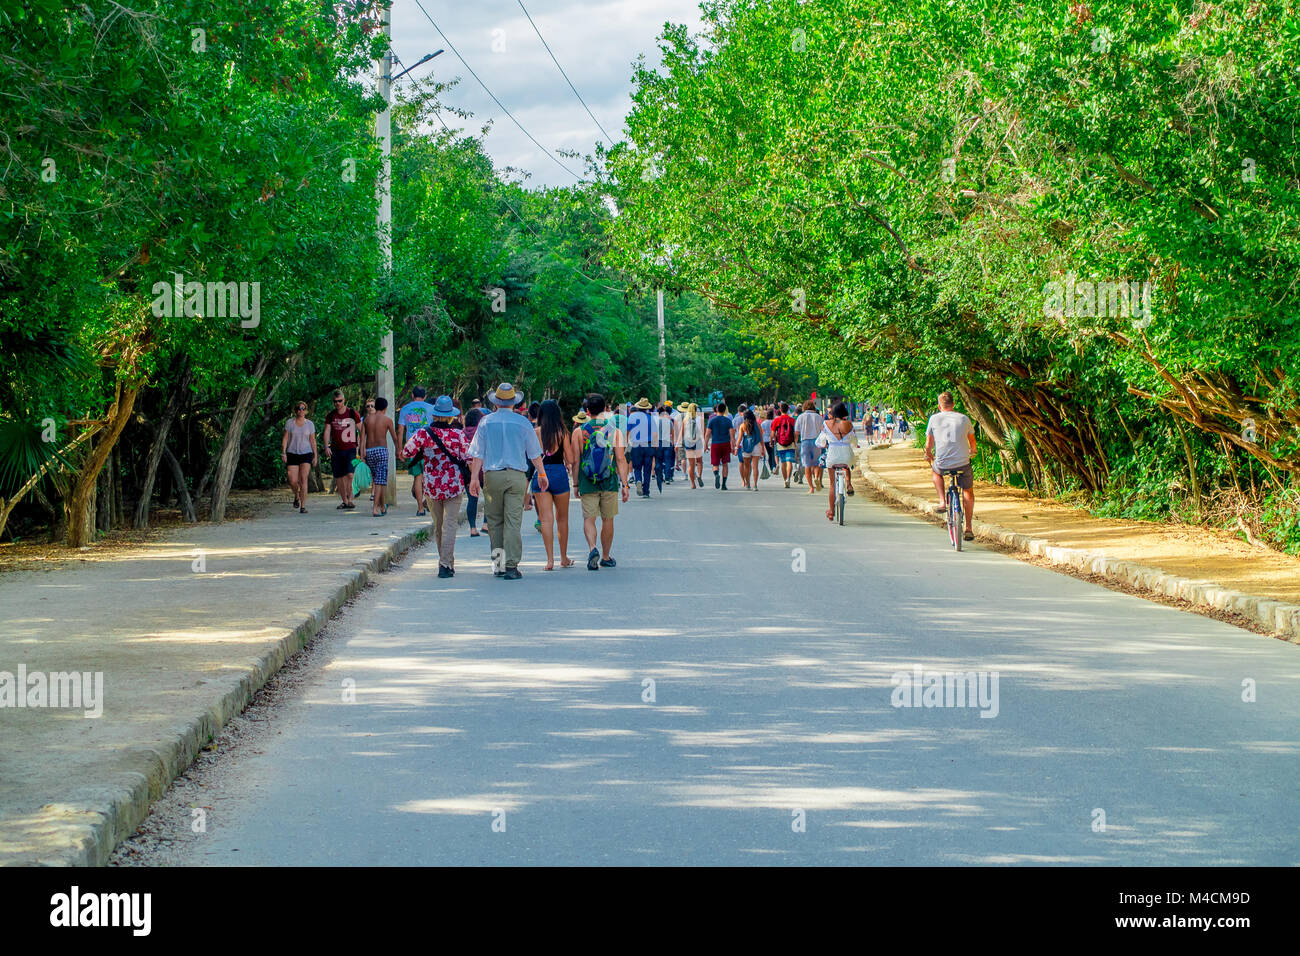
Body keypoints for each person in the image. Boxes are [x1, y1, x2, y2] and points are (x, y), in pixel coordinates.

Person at [468, 383, 547, 579]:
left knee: (494, 521)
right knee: (513, 521)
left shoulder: (486, 422)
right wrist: (542, 474)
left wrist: (473, 479)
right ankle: (511, 566)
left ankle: (498, 564)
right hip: (516, 476)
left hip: (492, 476)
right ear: (514, 402)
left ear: (496, 402)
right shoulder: (523, 423)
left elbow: (478, 453)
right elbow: (534, 453)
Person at [402, 396, 469, 578]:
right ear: (450, 416)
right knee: (449, 525)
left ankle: (445, 562)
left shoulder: (424, 434)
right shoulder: (458, 435)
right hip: (453, 486)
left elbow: (406, 451)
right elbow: (467, 456)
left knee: (438, 525)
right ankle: (446, 563)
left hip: (431, 487)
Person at [570, 393, 629, 570]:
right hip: (608, 481)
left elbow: (576, 462)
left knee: (589, 518)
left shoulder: (579, 432)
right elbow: (620, 459)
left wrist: (575, 484)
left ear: (587, 411)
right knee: (607, 519)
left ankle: (592, 548)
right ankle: (605, 556)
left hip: (588, 481)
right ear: (605, 409)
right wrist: (625, 484)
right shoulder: (615, 432)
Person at [925, 391, 976, 541]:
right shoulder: (964, 418)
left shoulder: (934, 419)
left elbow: (929, 443)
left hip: (942, 462)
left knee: (936, 471)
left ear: (939, 406)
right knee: (968, 491)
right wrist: (973, 451)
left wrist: (928, 453)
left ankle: (942, 501)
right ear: (953, 405)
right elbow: (972, 441)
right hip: (963, 463)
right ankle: (968, 528)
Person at [529, 400, 575, 570]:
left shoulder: (535, 432)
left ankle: (550, 560)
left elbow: (530, 456)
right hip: (559, 474)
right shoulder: (562, 432)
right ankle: (563, 557)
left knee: (546, 520)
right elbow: (570, 459)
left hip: (540, 475)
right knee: (562, 518)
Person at [397, 386, 437, 516]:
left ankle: (420, 508)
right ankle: (430, 503)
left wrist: (399, 449)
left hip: (412, 446)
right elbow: (435, 429)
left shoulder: (405, 409)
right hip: (428, 446)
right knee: (429, 475)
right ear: (425, 396)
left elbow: (400, 430)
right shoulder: (431, 409)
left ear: (412, 395)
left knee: (418, 477)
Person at [817, 402, 858, 520]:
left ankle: (831, 511)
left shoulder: (826, 424)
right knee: (848, 466)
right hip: (847, 456)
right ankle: (849, 484)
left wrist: (824, 444)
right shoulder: (849, 424)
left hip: (832, 456)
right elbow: (854, 441)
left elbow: (820, 441)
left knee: (831, 484)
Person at [323, 389, 362, 510]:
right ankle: (345, 501)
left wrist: (362, 445)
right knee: (339, 476)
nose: (337, 403)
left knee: (350, 474)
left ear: (344, 400)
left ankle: (351, 499)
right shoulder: (331, 415)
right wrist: (326, 446)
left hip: (350, 448)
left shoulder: (352, 413)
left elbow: (362, 429)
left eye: (339, 401)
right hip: (336, 449)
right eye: (335, 401)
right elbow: (327, 431)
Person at [361, 397, 398, 516]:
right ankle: (375, 508)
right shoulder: (387, 420)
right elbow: (394, 437)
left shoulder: (366, 420)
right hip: (381, 451)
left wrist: (362, 452)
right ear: (385, 408)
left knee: (378, 480)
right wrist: (399, 450)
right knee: (380, 481)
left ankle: (382, 506)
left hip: (369, 451)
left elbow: (362, 438)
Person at [281, 402, 318, 514]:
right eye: (298, 408)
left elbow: (312, 440)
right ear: (295, 410)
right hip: (292, 453)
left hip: (306, 453)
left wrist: (315, 455)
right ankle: (296, 496)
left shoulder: (310, 424)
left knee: (303, 479)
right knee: (292, 480)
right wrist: (283, 453)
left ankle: (303, 506)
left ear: (306, 410)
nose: (301, 411)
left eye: (303, 408)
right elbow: (285, 439)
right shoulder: (290, 423)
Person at [626, 397, 656, 498]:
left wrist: (627, 443)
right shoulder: (650, 417)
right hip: (648, 445)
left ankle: (638, 480)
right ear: (647, 408)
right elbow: (655, 434)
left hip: (636, 445)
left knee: (637, 467)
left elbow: (627, 431)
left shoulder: (631, 417)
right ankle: (646, 491)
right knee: (647, 469)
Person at [462, 407, 485, 537]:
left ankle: (472, 528)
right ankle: (486, 524)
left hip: (468, 472)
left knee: (472, 499)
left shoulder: (462, 432)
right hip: (483, 469)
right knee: (489, 498)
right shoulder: (481, 432)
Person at [795, 399, 824, 494]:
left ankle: (811, 487)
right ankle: (816, 477)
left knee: (807, 465)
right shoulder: (818, 417)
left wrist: (795, 442)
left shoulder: (800, 417)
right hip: (816, 442)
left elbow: (797, 432)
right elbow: (823, 431)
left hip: (805, 442)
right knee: (816, 463)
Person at [706, 401, 736, 490]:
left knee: (715, 464)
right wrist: (733, 446)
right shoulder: (728, 420)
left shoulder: (712, 420)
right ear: (724, 410)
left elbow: (707, 434)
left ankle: (716, 475)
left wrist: (705, 445)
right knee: (725, 464)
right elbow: (732, 436)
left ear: (717, 409)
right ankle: (724, 484)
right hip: (725, 443)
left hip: (715, 443)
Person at [736, 408, 765, 490]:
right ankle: (755, 485)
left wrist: (736, 447)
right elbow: (761, 438)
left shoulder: (743, 426)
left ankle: (747, 483)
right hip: (756, 446)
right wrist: (763, 448)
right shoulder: (758, 425)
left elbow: (739, 438)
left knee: (746, 467)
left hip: (746, 447)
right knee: (755, 467)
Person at [678, 402, 705, 489]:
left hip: (688, 442)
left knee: (691, 464)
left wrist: (677, 444)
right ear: (696, 410)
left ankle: (693, 484)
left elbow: (681, 433)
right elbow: (703, 432)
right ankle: (699, 476)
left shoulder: (685, 420)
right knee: (699, 461)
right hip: (698, 442)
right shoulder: (700, 419)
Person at [771, 402, 798, 487]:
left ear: (780, 410)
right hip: (791, 443)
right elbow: (795, 433)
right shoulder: (792, 420)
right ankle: (788, 479)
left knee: (783, 462)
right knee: (789, 461)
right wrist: (795, 442)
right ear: (788, 410)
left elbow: (772, 433)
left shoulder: (776, 420)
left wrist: (772, 441)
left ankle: (785, 479)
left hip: (780, 443)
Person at [761, 408, 777, 473]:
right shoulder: (774, 422)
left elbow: (762, 432)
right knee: (774, 454)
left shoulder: (763, 423)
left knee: (769, 454)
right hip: (773, 439)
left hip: (766, 440)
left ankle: (771, 468)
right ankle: (774, 467)